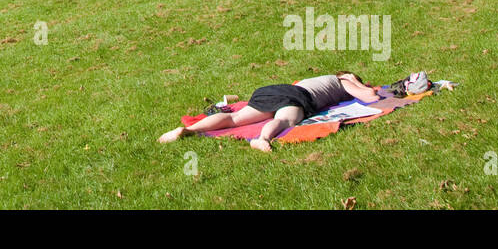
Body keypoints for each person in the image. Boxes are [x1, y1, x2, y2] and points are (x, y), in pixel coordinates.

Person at [158, 71, 380, 152]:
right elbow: (370, 97)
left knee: (235, 118)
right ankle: (262, 139)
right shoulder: (341, 81)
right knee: (285, 121)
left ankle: (189, 129)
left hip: (274, 90)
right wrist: (359, 84)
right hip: (298, 97)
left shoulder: (317, 79)